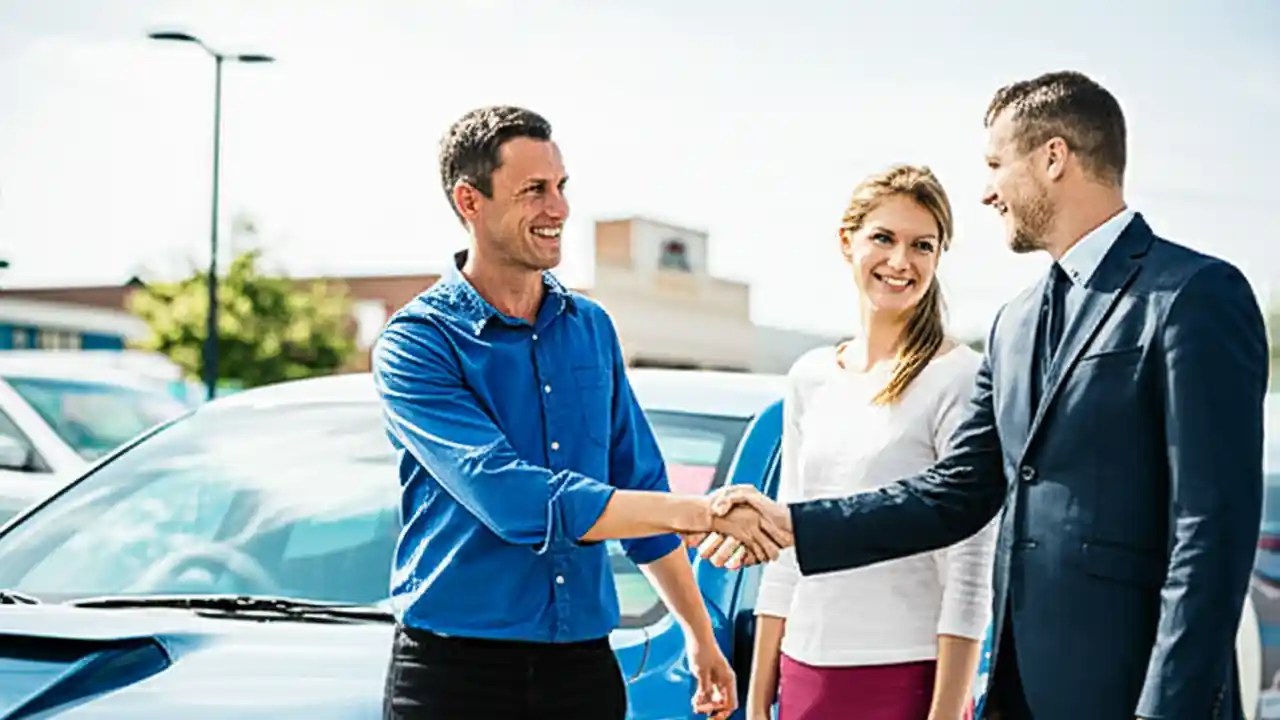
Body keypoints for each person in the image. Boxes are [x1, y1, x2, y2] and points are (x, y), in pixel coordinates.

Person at [700, 71, 1270, 720]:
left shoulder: (1194, 295)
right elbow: (958, 490)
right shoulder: (1014, 322)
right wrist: (792, 523)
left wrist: (1169, 709)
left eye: (997, 164)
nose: (987, 191)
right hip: (1021, 692)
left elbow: (1212, 532)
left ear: (1053, 157)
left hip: (1134, 691)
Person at [371, 105, 789, 720]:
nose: (559, 209)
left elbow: (638, 484)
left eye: (561, 187)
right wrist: (703, 513)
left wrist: (700, 638)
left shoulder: (591, 329)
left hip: (582, 671)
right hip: (456, 677)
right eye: (534, 190)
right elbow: (514, 499)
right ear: (470, 200)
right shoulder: (418, 343)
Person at [740, 164, 999, 720]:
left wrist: (947, 712)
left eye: (922, 246)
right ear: (846, 241)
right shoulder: (810, 375)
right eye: (883, 238)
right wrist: (759, 701)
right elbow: (786, 546)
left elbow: (970, 569)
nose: (901, 262)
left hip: (904, 676)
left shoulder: (959, 377)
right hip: (803, 671)